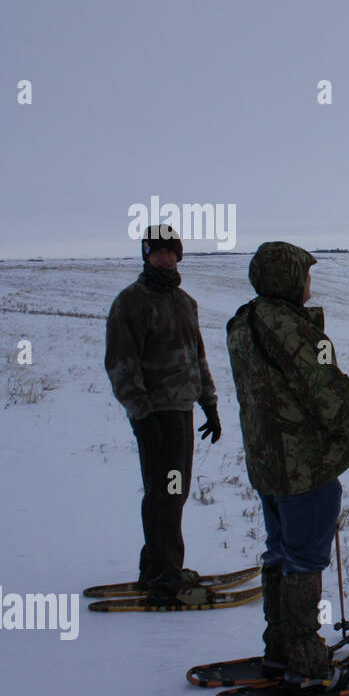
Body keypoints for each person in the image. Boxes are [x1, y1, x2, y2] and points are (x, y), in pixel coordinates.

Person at [226, 241, 349, 690]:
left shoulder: (243, 321)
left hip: (267, 463)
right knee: (304, 560)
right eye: (305, 276)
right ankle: (304, 655)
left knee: (280, 552)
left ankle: (280, 646)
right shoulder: (292, 330)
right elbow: (330, 403)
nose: (310, 285)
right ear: (290, 279)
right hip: (303, 467)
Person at [105, 225, 222, 606]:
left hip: (182, 412)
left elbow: (197, 356)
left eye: (171, 252)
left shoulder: (184, 302)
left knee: (174, 491)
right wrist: (143, 416)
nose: (165, 258)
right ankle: (162, 575)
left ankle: (159, 564)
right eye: (157, 252)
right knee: (164, 493)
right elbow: (121, 365)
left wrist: (210, 404)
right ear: (146, 255)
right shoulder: (132, 303)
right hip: (155, 415)